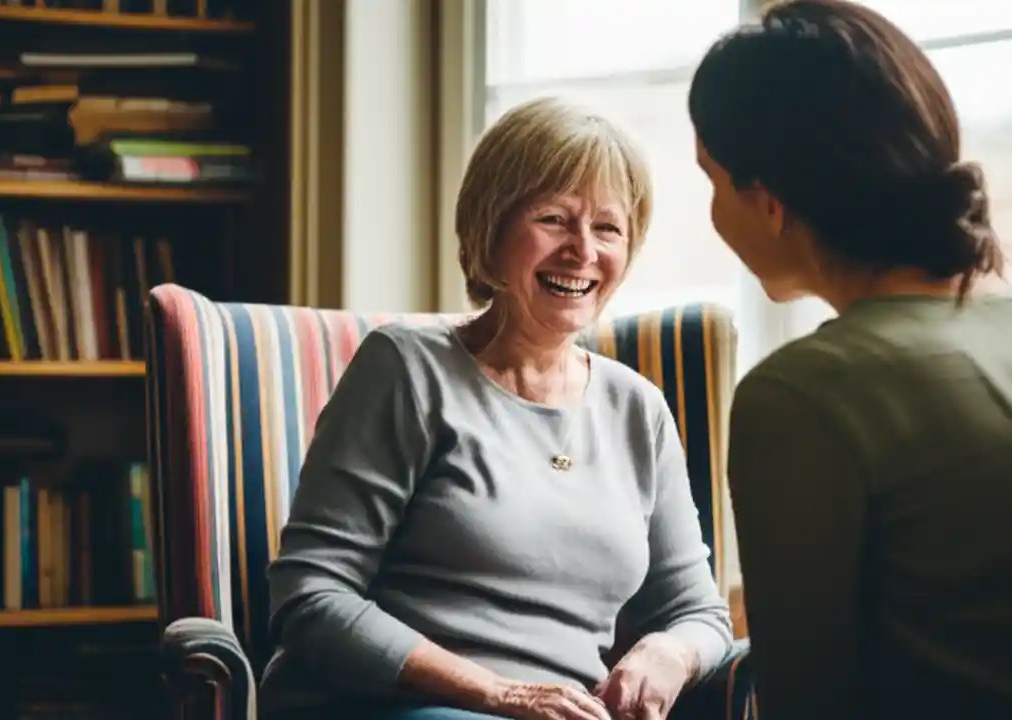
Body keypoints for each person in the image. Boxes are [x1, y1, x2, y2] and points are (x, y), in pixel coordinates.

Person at [688, 0, 1012, 717]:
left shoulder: (800, 394)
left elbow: (806, 704)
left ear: (769, 201)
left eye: (711, 181)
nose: (712, 213)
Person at [258, 96, 734, 720]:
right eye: (554, 219)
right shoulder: (406, 369)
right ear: (492, 226)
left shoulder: (636, 409)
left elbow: (701, 614)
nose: (583, 251)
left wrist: (670, 652)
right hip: (395, 705)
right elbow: (309, 597)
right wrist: (493, 692)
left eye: (608, 228)